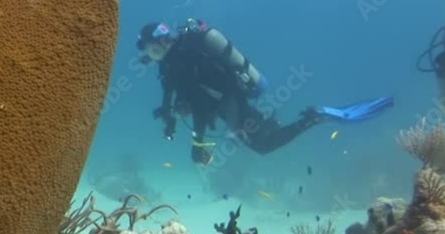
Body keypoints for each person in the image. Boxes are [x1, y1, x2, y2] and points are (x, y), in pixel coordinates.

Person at [137, 19, 393, 165]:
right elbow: (172, 96)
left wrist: (197, 144)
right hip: (227, 103)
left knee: (262, 146)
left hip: (230, 102)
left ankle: (314, 118)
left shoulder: (182, 61)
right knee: (262, 139)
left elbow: (200, 106)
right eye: (151, 53)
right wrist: (168, 119)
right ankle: (284, 121)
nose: (155, 56)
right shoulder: (170, 68)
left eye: (155, 50)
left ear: (165, 39)